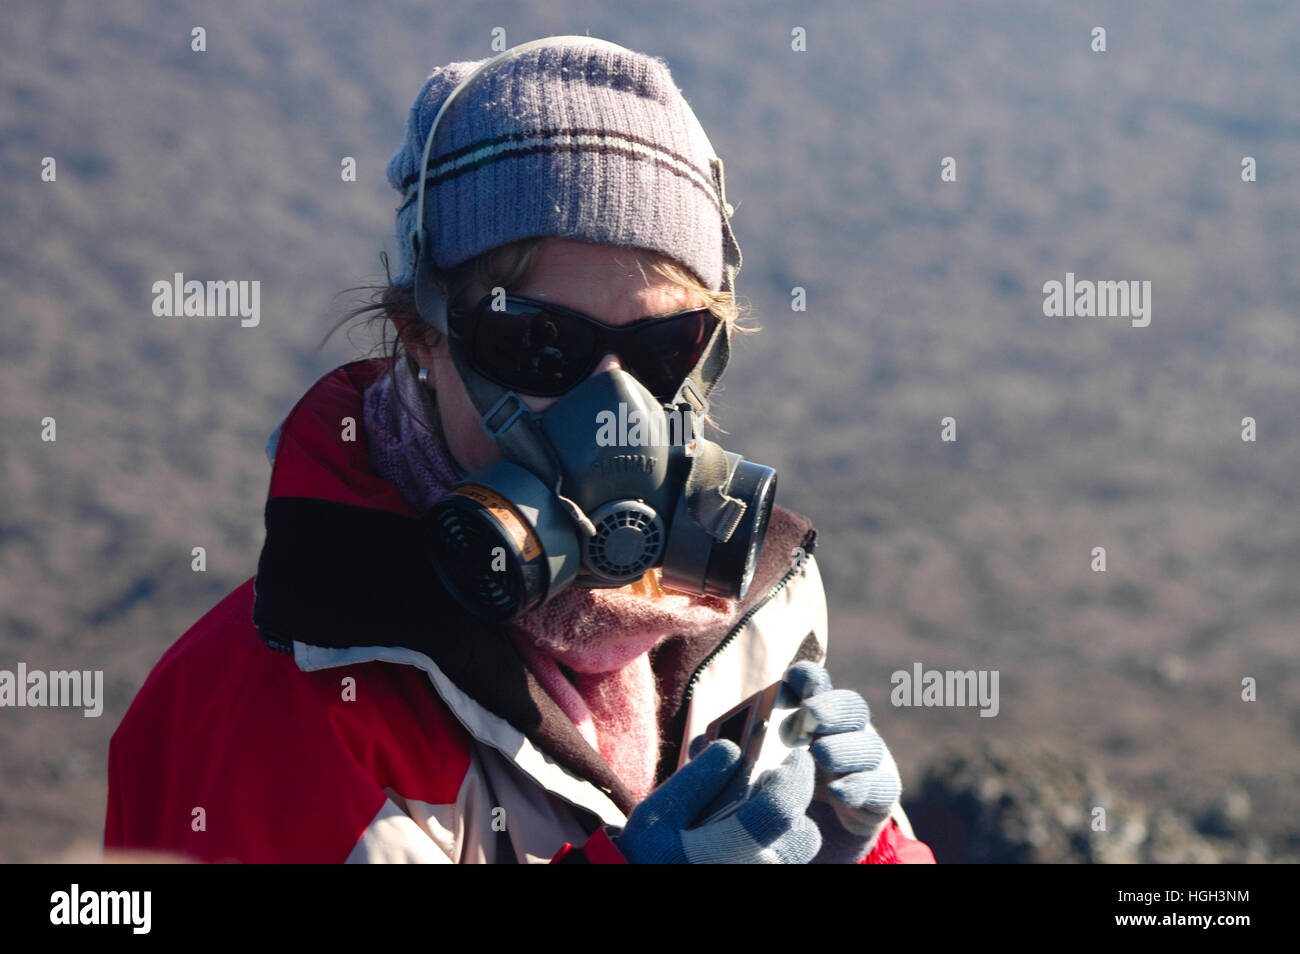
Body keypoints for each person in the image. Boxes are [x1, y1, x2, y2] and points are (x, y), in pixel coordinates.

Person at [104, 35, 935, 864]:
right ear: (422, 335)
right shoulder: (284, 699)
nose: (618, 412)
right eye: (541, 345)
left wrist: (868, 854)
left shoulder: (757, 616)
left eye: (662, 348)